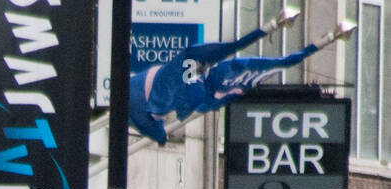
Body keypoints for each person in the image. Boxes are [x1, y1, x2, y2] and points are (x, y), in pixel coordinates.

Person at [129, 9, 352, 145]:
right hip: (142, 99)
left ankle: (323, 33)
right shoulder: (189, 74)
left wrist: (325, 39)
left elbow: (281, 60)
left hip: (150, 104)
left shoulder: (218, 74)